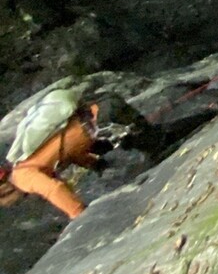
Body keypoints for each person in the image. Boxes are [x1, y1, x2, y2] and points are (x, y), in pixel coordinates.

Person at [0, 90, 155, 220]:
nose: (8, 205)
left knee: (155, 145)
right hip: (103, 109)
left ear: (4, 191)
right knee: (153, 141)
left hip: (105, 122)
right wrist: (94, 164)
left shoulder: (22, 177)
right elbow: (70, 151)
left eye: (3, 202)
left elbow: (54, 190)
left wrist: (78, 214)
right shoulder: (24, 162)